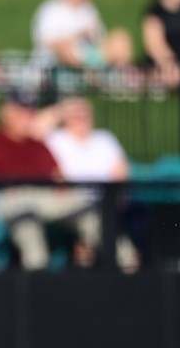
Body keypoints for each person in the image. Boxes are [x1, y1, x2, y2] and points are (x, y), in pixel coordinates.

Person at [0, 90, 100, 271]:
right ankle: (36, 278)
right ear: (6, 112)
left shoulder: (39, 145)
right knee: (27, 222)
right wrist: (0, 186)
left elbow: (59, 177)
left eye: (30, 112)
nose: (26, 117)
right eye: (21, 111)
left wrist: (61, 190)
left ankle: (126, 268)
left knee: (88, 211)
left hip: (44, 198)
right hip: (11, 198)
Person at [42, 97, 139, 271]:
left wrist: (118, 196)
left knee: (101, 220)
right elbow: (30, 128)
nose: (81, 118)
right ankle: (125, 261)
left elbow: (121, 172)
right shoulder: (55, 139)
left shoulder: (104, 139)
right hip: (69, 202)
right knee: (96, 223)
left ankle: (118, 263)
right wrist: (60, 110)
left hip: (103, 201)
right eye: (75, 114)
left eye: (84, 113)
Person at [32, 0, 133, 70]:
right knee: (65, 48)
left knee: (120, 38)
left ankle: (122, 78)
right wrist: (78, 35)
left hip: (89, 55)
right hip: (58, 59)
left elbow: (101, 38)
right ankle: (88, 74)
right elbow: (48, 42)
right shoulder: (51, 8)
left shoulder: (89, 9)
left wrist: (93, 35)